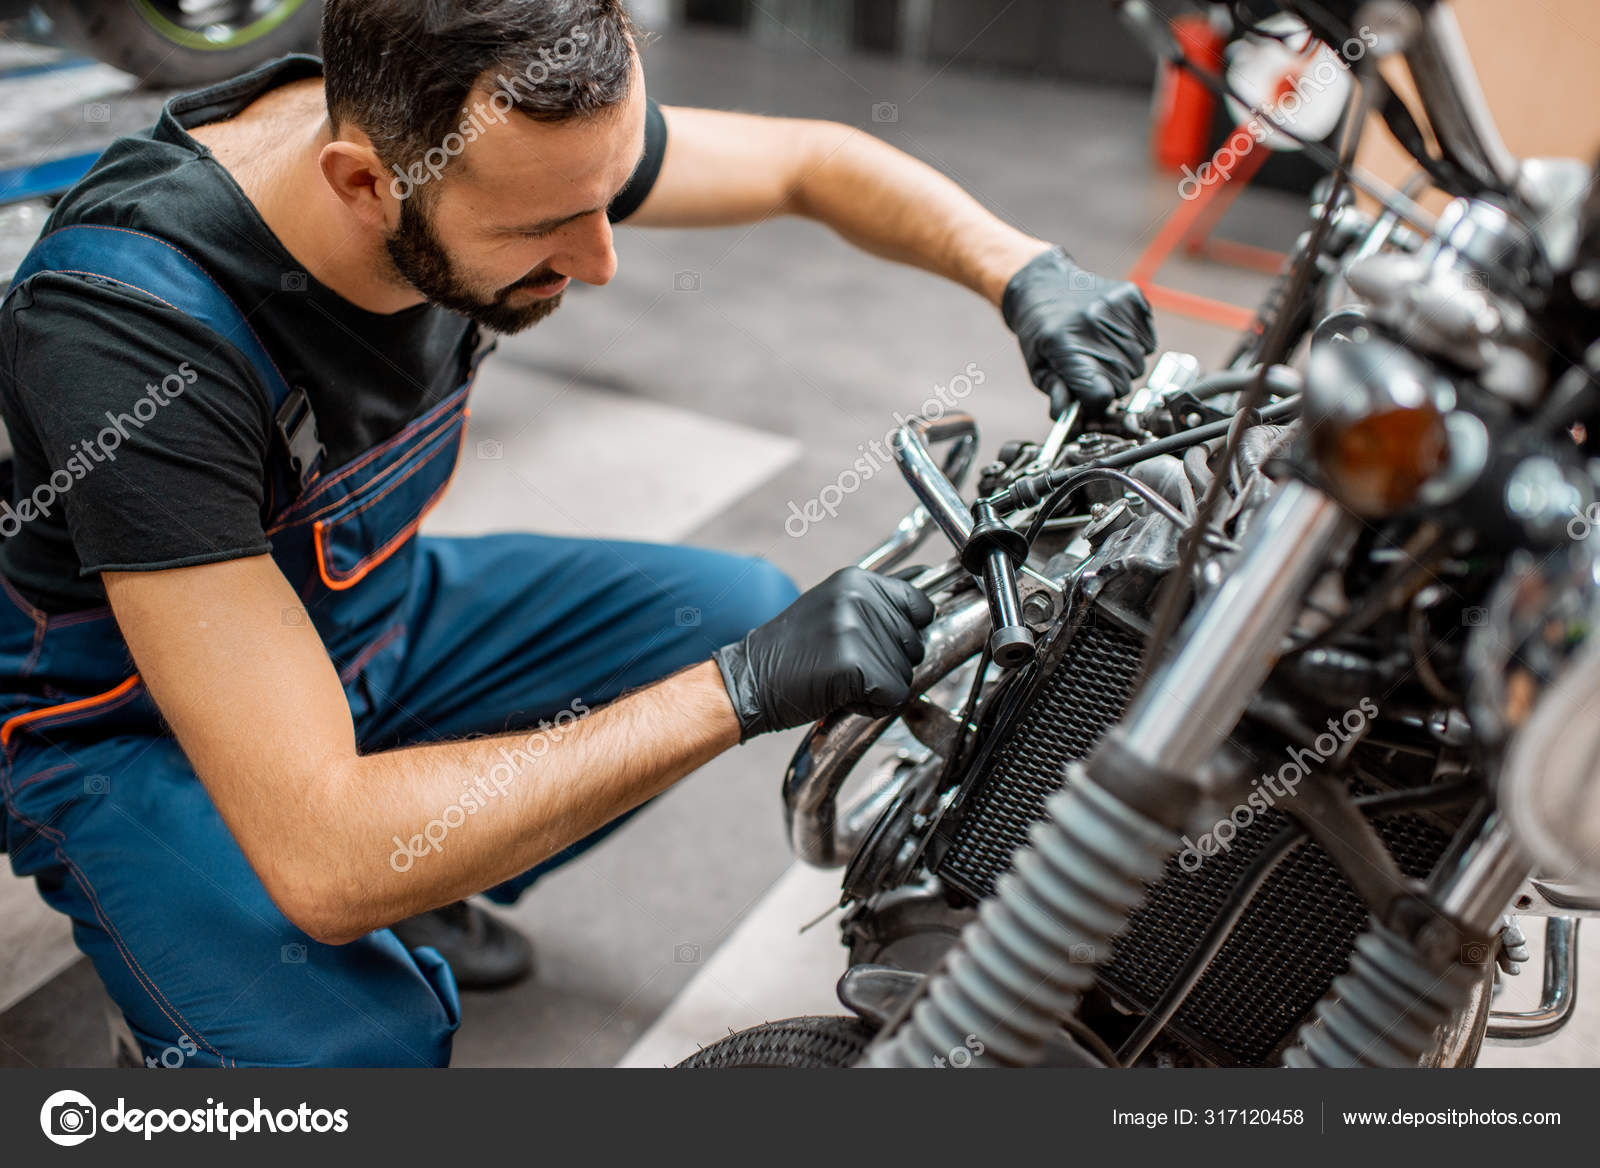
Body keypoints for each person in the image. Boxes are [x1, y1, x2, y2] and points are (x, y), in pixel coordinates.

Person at [0, 0, 1155, 1067]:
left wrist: (1024, 271)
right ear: (361, 183)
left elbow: (815, 163)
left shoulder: (498, 129)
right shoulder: (136, 330)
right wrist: (738, 691)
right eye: (550, 227)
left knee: (727, 604)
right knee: (352, 1047)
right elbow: (323, 857)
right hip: (127, 723)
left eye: (607, 198)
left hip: (364, 618)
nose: (602, 260)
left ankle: (432, 854)